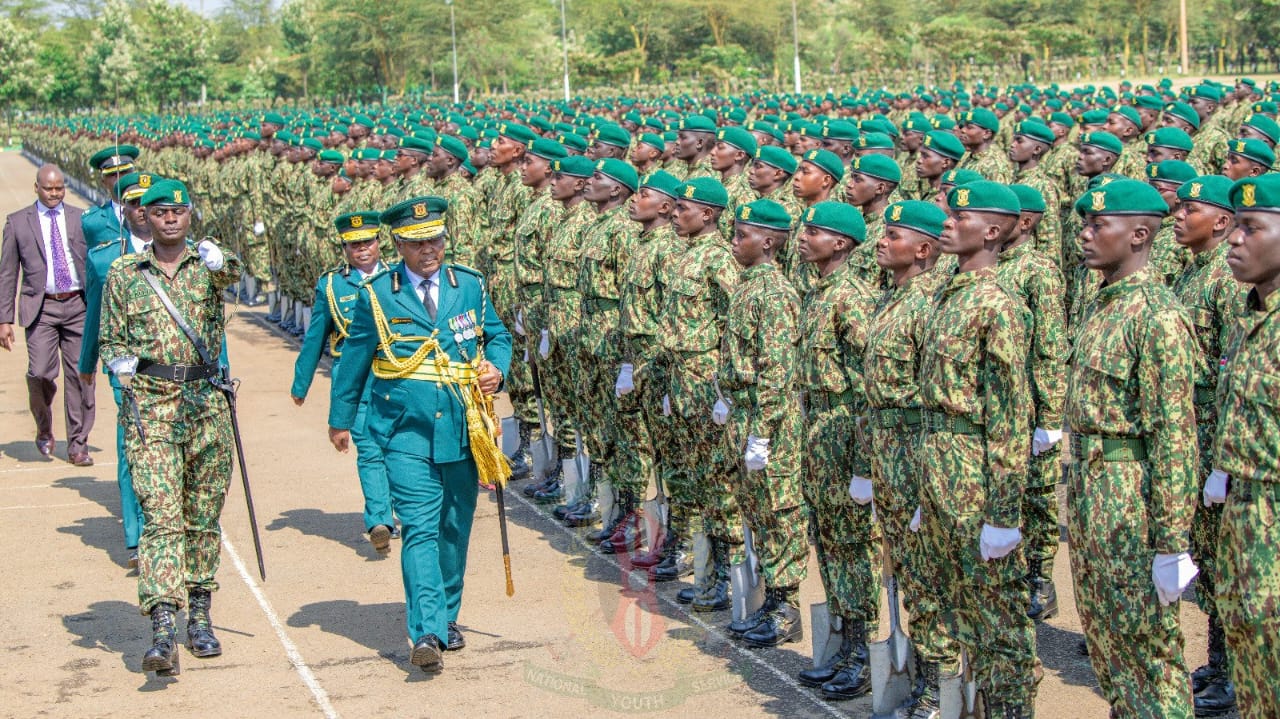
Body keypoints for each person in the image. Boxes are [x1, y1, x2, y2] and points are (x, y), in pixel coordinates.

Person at [328, 195, 511, 674]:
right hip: (403, 433)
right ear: (398, 244)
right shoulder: (378, 293)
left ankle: (448, 615)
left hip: (462, 430)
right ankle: (426, 630)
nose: (428, 250)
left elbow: (498, 336)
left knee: (454, 529)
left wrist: (497, 370)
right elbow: (354, 358)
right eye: (415, 242)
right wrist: (341, 417)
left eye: (435, 240)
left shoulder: (467, 285)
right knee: (422, 528)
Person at [1064, 179, 1199, 718]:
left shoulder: (1156, 314)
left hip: (1131, 497)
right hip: (1092, 486)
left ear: (1140, 234)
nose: (1086, 234)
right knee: (1107, 637)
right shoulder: (1104, 304)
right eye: (1085, 224)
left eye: (1100, 225)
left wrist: (1170, 539)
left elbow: (1174, 434)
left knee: (1147, 645)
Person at [98, 179, 242, 677]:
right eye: (160, 212)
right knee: (161, 515)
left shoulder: (208, 265)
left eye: (179, 211)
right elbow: (110, 336)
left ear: (190, 214)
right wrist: (118, 364)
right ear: (145, 217)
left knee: (202, 516)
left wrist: (221, 260)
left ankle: (199, 616)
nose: (171, 220)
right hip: (152, 406)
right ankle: (163, 626)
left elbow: (236, 279)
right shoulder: (123, 272)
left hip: (206, 407)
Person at [919, 181, 1037, 716]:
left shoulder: (996, 304)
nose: (945, 221)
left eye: (958, 216)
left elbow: (1012, 416)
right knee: (958, 602)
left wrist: (1005, 513)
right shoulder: (949, 291)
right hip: (941, 463)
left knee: (996, 612)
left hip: (975, 471)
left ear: (990, 232)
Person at [863, 200, 955, 717]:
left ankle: (940, 685)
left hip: (916, 450)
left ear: (923, 249)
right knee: (903, 566)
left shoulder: (929, 307)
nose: (881, 240)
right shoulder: (890, 300)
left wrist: (926, 480)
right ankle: (921, 669)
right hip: (885, 448)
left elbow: (933, 399)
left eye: (892, 235)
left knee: (927, 571)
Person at [793, 200, 881, 699]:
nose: (804, 238)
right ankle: (847, 646)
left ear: (842, 243)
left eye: (816, 232)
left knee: (854, 547)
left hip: (847, 430)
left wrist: (864, 464)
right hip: (818, 427)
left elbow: (872, 385)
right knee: (830, 543)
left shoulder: (852, 298)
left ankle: (863, 653)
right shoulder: (818, 292)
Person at [1168, 175, 1244, 718]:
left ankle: (1231, 673)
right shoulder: (1193, 274)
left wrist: (1221, 459)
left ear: (1220, 221)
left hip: (1218, 437)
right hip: (1194, 433)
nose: (1177, 214)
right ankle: (1218, 665)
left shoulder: (1226, 281)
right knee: (1208, 558)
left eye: (1189, 208)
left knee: (1222, 565)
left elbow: (1234, 376)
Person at [717, 198, 808, 648]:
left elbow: (778, 369)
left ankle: (786, 606)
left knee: (779, 510)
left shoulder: (773, 292)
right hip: (745, 409)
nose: (734, 242)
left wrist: (764, 431)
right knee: (758, 509)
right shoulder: (750, 285)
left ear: (768, 242)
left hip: (766, 416)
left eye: (741, 235)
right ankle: (772, 598)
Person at [1209, 174, 1280, 719]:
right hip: (1245, 510)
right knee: (1250, 643)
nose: (1234, 238)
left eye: (1252, 228)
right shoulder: (1248, 318)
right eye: (1234, 225)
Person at [292, 211, 397, 554]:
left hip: (398, 374)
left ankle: (407, 511)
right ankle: (380, 519)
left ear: (379, 242)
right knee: (368, 449)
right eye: (354, 245)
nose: (362, 250)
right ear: (344, 248)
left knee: (399, 446)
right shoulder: (332, 285)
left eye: (367, 242)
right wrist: (301, 382)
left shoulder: (399, 277)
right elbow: (315, 336)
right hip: (355, 377)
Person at [78, 172, 160, 567]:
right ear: (122, 209)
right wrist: (86, 362)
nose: (142, 211)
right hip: (127, 371)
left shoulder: (186, 251)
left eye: (150, 203)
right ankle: (137, 538)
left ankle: (165, 529)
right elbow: (95, 309)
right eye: (134, 203)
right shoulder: (106, 255)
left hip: (175, 370)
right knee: (133, 446)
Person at [999, 184, 1068, 623]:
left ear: (1024, 223)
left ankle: (1039, 578)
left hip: (1029, 402)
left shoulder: (1037, 270)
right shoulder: (990, 267)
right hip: (1001, 403)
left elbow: (1049, 347)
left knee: (1037, 497)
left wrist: (1050, 417)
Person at [0, 164, 95, 466]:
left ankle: (78, 444)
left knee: (81, 377)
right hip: (41, 308)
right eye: (48, 188)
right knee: (39, 372)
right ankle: (44, 425)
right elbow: (7, 274)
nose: (54, 194)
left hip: (78, 306)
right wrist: (4, 319)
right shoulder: (17, 223)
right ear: (36, 188)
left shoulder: (81, 219)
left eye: (59, 188)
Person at [81, 145, 140, 250]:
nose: (120, 179)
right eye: (113, 175)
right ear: (103, 181)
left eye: (125, 172)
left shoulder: (151, 214)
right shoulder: (92, 221)